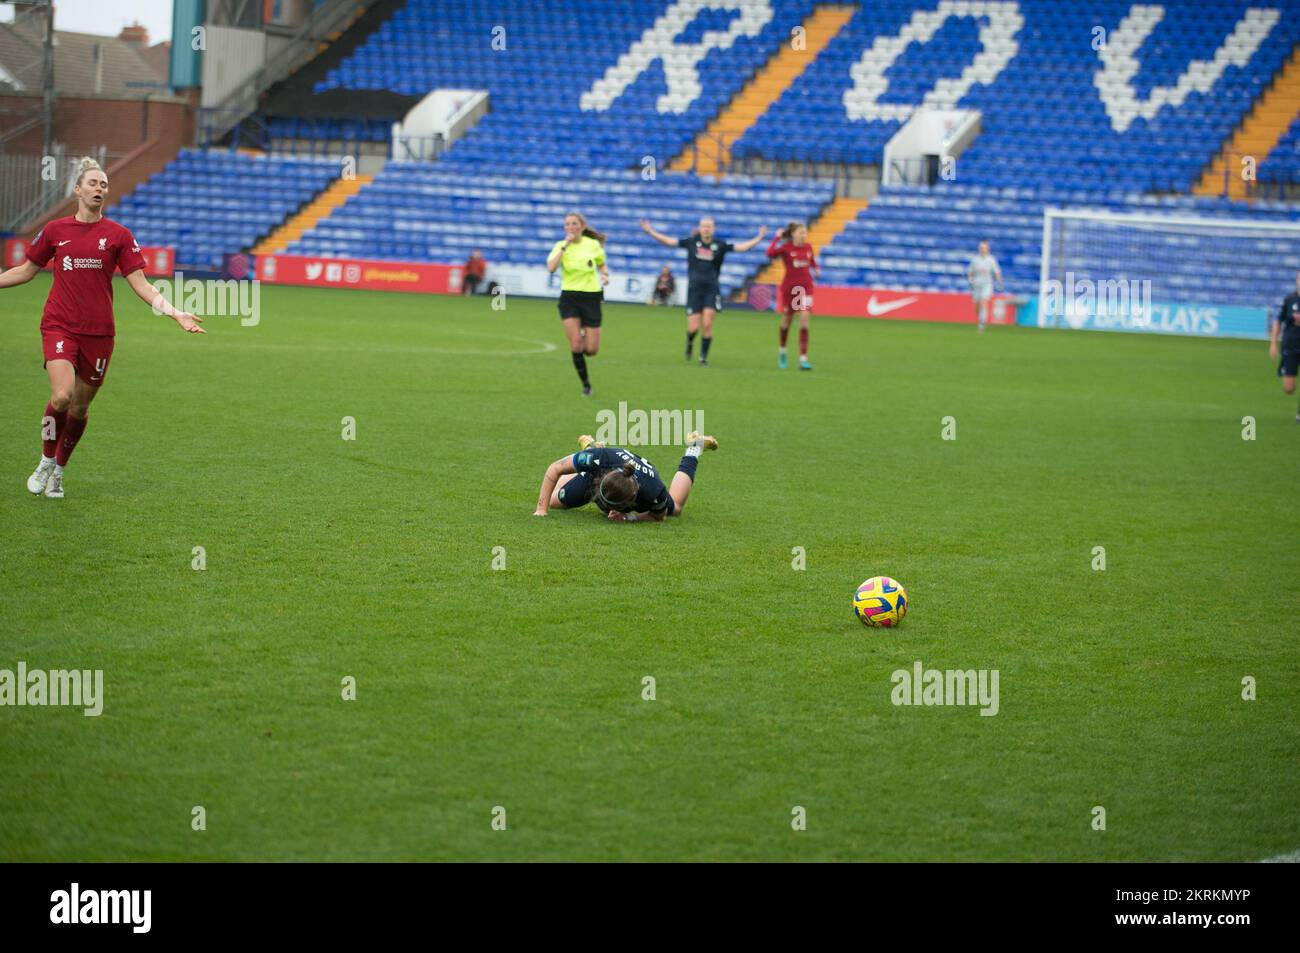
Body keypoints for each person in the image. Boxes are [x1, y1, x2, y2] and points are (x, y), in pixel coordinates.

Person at [0, 157, 204, 500]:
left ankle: (60, 471)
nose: (99, 189)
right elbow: (25, 270)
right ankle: (45, 460)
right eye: (93, 183)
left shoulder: (118, 235)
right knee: (62, 395)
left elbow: (141, 284)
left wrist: (175, 313)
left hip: (99, 333)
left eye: (104, 185)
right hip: (59, 325)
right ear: (78, 189)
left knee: (79, 408)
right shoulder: (55, 230)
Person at [640, 217, 766, 365]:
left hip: (711, 289)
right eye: (704, 226)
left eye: (709, 226)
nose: (706, 229)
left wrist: (758, 238)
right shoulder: (691, 242)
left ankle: (703, 358)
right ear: (700, 228)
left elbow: (741, 247)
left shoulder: (719, 245)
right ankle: (690, 341)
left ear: (713, 229)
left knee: (707, 324)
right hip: (694, 289)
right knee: (693, 328)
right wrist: (651, 232)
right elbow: (669, 242)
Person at [533, 432, 718, 520]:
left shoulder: (653, 490)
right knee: (552, 502)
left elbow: (658, 517)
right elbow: (555, 469)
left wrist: (630, 518)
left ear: (631, 501)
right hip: (599, 467)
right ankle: (592, 448)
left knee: (675, 509)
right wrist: (541, 509)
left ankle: (695, 447)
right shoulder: (601, 461)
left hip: (631, 473)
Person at [546, 211, 609, 395]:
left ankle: (583, 331)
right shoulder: (560, 245)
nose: (570, 227)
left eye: (574, 223)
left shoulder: (593, 244)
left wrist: (605, 274)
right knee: (576, 346)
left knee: (591, 350)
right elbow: (551, 268)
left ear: (581, 226)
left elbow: (601, 263)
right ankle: (586, 385)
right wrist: (565, 246)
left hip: (591, 297)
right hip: (569, 297)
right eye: (567, 224)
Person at [767, 221, 820, 370]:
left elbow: (812, 260)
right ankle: (782, 351)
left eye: (805, 233)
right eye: (801, 233)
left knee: (804, 320)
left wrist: (816, 269)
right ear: (793, 234)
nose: (804, 235)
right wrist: (776, 238)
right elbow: (769, 254)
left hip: (806, 288)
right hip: (791, 289)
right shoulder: (786, 248)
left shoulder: (808, 247)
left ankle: (803, 358)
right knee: (786, 321)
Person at [1269, 269, 1300, 422]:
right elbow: (1278, 321)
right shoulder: (1290, 299)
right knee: (1289, 388)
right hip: (1290, 344)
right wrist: (1273, 344)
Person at [967, 240, 1003, 333]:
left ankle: (982, 323)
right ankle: (981, 319)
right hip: (976, 284)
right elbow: (970, 272)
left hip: (987, 284)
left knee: (983, 302)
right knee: (977, 306)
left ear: (987, 249)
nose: (983, 250)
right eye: (981, 248)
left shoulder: (991, 260)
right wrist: (970, 280)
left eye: (984, 248)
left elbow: (996, 271)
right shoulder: (975, 259)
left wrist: (999, 281)